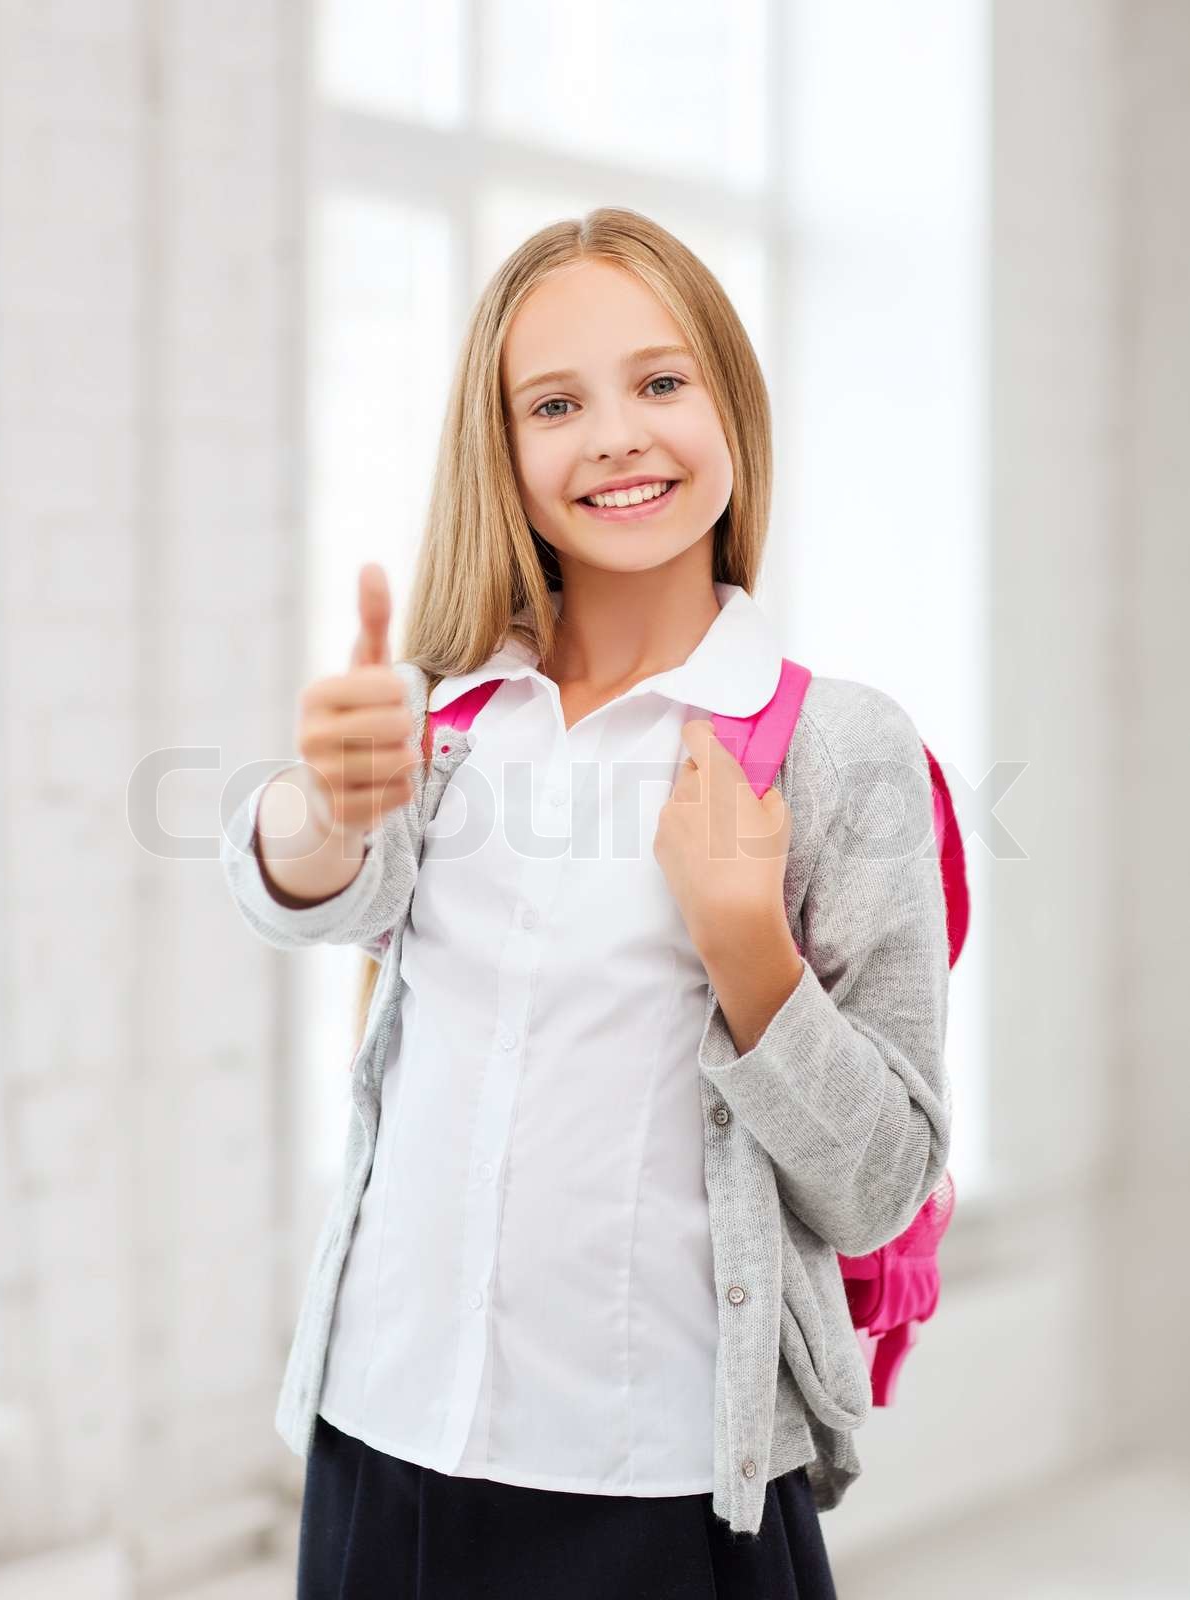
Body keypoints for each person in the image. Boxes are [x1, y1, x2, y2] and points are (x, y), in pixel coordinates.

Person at [220, 207, 953, 1599]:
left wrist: (750, 955)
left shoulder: (834, 747)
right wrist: (321, 808)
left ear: (730, 409)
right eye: (554, 402)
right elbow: (303, 901)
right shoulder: (445, 718)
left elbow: (879, 1188)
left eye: (660, 382)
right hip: (382, 1439)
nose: (614, 433)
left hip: (662, 1482)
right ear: (500, 453)